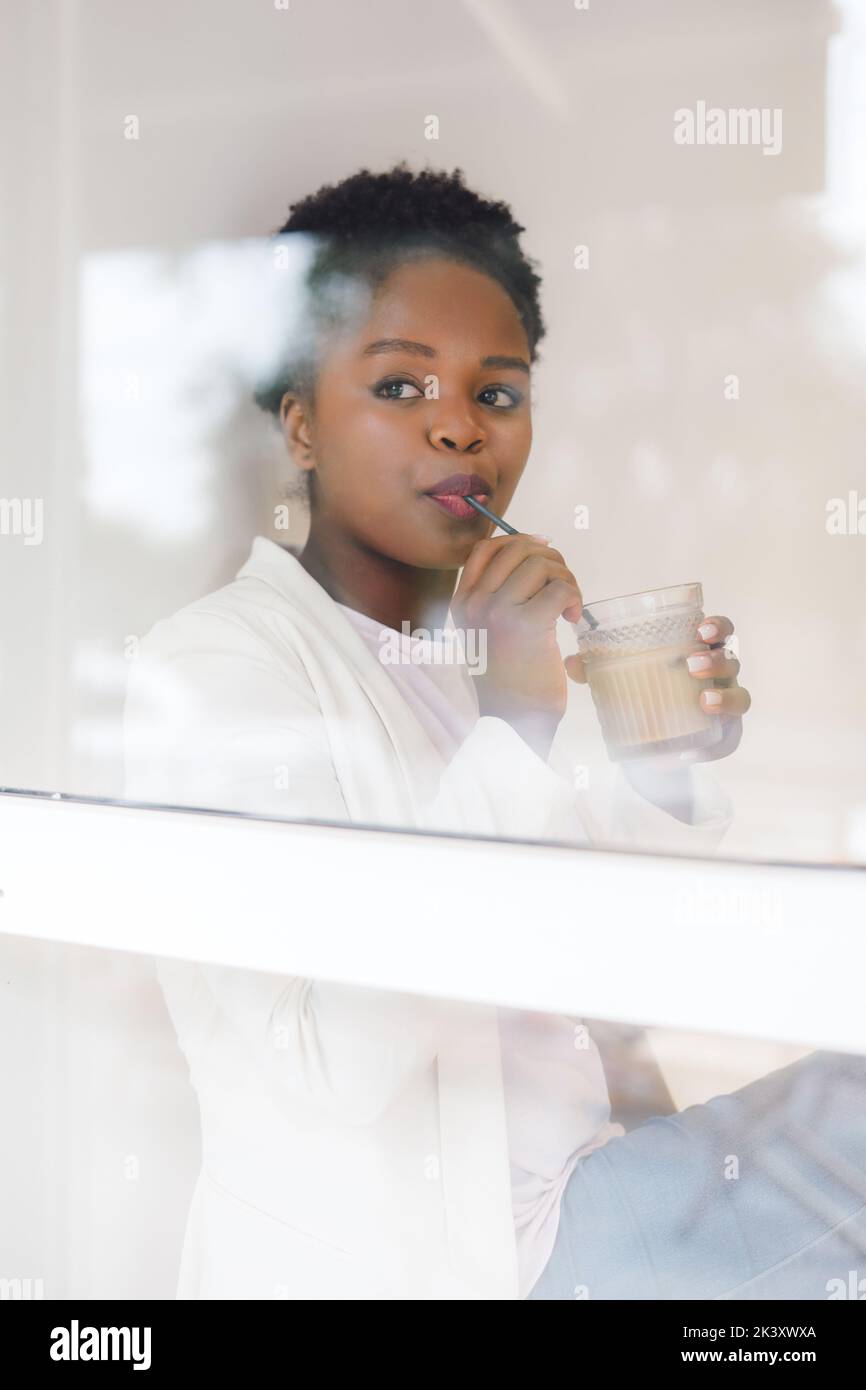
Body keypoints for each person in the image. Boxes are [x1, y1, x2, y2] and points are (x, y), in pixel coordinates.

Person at [123, 162, 862, 1302]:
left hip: (578, 1190)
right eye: (401, 388)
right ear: (302, 424)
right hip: (482, 1265)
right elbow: (326, 1069)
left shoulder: (451, 663)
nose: (460, 428)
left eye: (496, 393)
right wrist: (516, 726)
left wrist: (653, 772)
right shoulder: (216, 667)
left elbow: (599, 970)